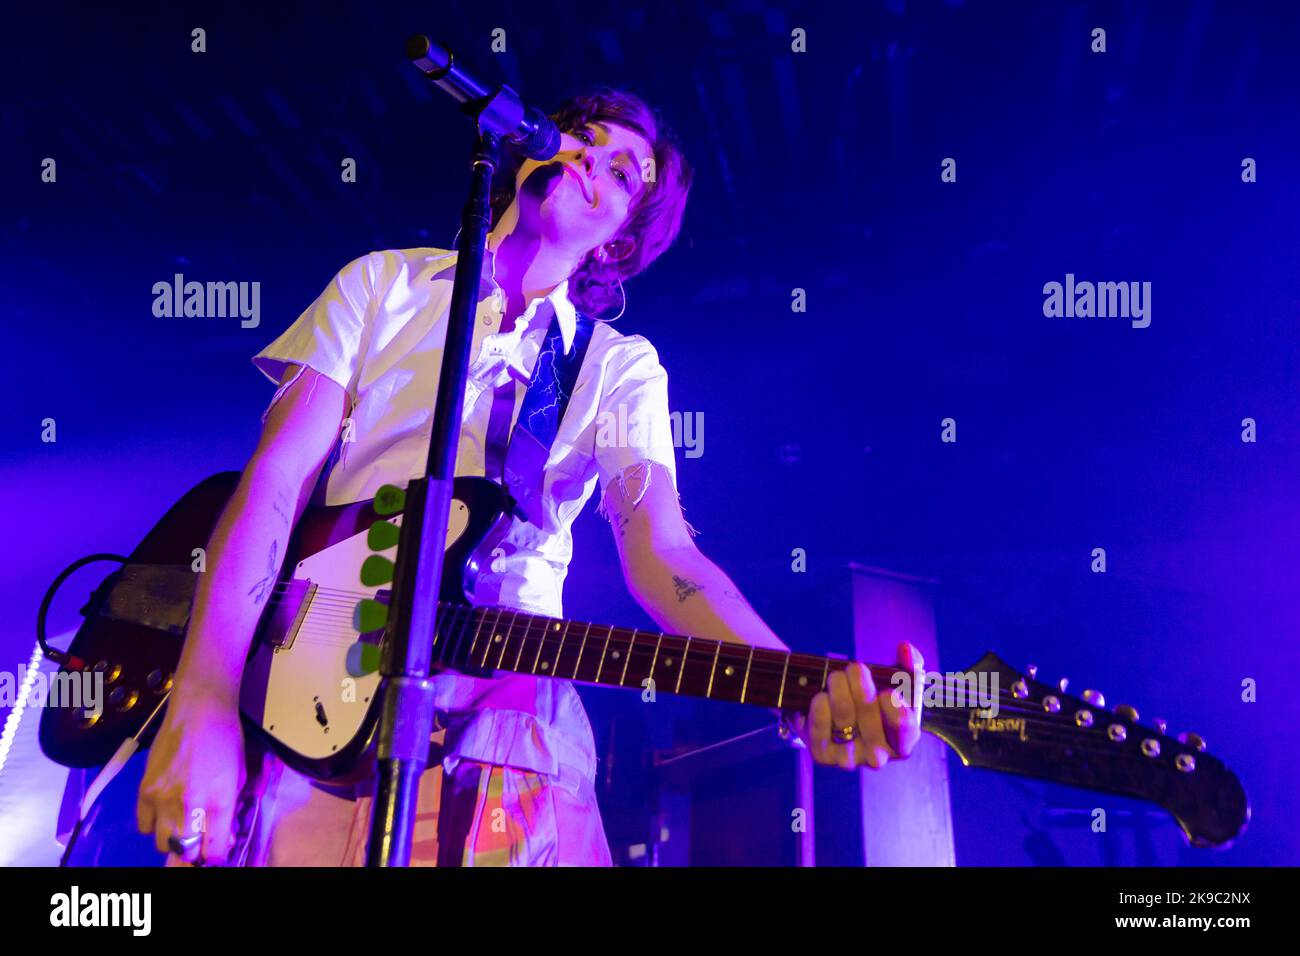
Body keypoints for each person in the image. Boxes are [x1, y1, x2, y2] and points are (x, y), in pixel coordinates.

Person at [135, 86, 925, 867]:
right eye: (584, 134)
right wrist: (203, 698)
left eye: (624, 172)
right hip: (299, 690)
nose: (591, 158)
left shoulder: (617, 369)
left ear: (619, 241)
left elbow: (665, 557)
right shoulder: (383, 286)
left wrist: (796, 680)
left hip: (507, 714)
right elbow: (274, 485)